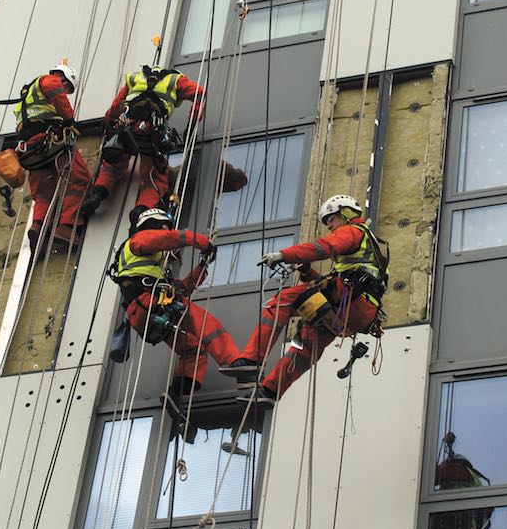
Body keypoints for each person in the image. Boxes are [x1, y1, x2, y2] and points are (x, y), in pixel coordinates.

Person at [227, 194, 389, 405]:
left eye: (331, 218)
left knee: (283, 300)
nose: (329, 225)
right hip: (356, 311)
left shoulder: (352, 232)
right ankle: (270, 391)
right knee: (307, 344)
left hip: (348, 298)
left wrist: (285, 255)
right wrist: (305, 270)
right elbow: (326, 281)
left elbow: (324, 248)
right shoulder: (366, 247)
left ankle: (251, 360)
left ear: (345, 214)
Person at [108, 206, 250, 432]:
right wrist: (199, 241)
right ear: (154, 225)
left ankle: (177, 394)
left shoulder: (152, 267)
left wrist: (202, 266)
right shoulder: (137, 241)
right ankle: (235, 362)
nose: (167, 230)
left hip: (147, 310)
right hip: (149, 303)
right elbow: (168, 238)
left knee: (193, 349)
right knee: (204, 323)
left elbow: (181, 289)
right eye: (164, 226)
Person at [81, 65, 206, 218]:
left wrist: (109, 121)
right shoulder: (177, 80)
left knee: (113, 166)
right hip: (151, 131)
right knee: (155, 176)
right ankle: (141, 209)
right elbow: (200, 93)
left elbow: (117, 104)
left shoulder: (134, 77)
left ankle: (97, 195)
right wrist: (192, 124)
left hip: (127, 126)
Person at [12, 63, 90, 251]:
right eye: (67, 87)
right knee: (80, 179)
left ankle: (38, 225)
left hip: (30, 148)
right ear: (63, 78)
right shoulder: (49, 80)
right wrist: (70, 119)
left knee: (43, 190)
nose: (66, 91)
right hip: (50, 140)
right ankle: (65, 226)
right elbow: (54, 91)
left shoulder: (28, 94)